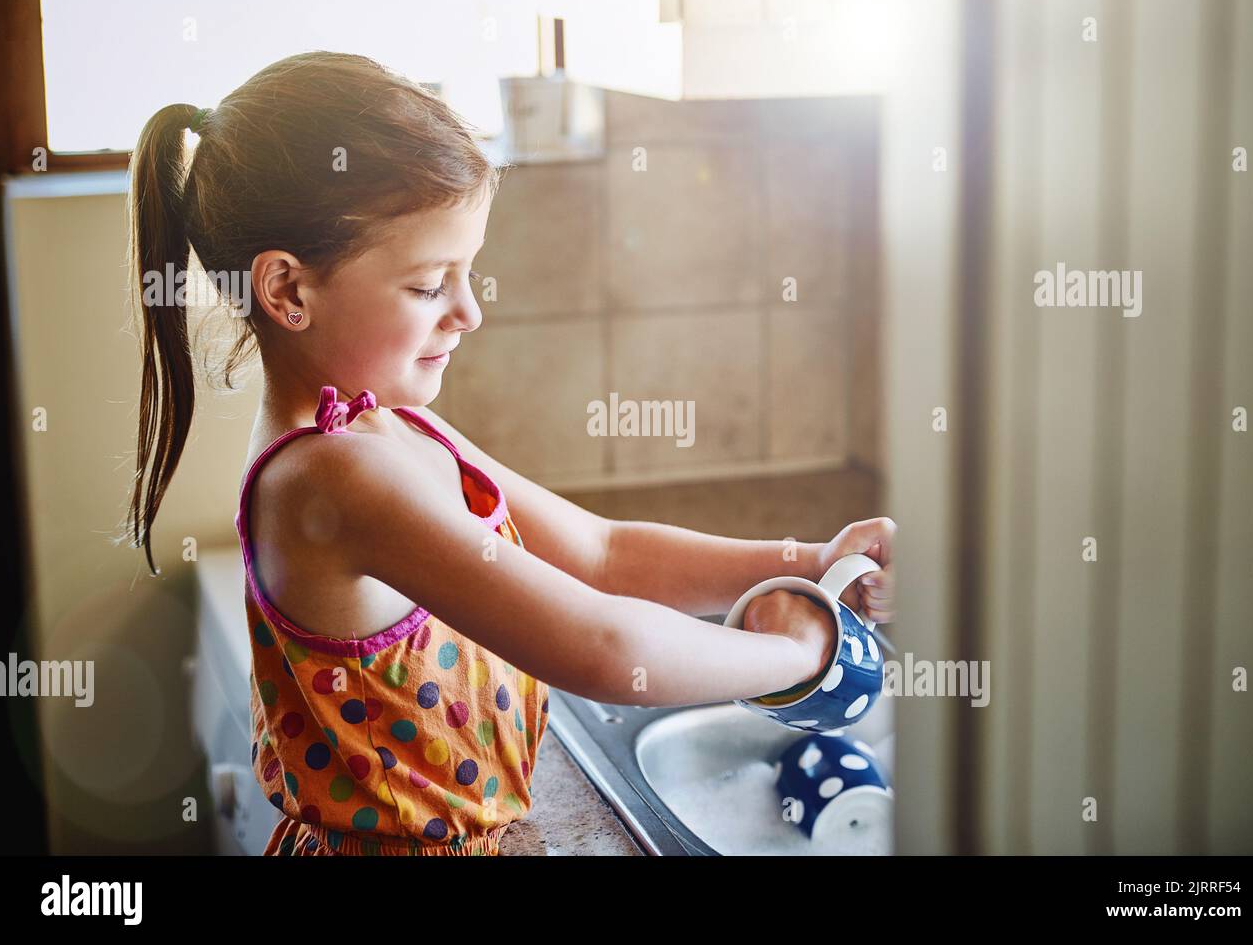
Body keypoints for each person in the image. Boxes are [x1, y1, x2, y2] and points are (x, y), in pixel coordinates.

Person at [122, 52, 896, 856]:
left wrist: (809, 559)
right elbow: (605, 648)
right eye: (430, 285)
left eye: (470, 273)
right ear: (286, 291)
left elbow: (601, 553)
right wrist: (793, 655)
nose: (468, 311)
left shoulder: (387, 427)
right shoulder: (330, 479)